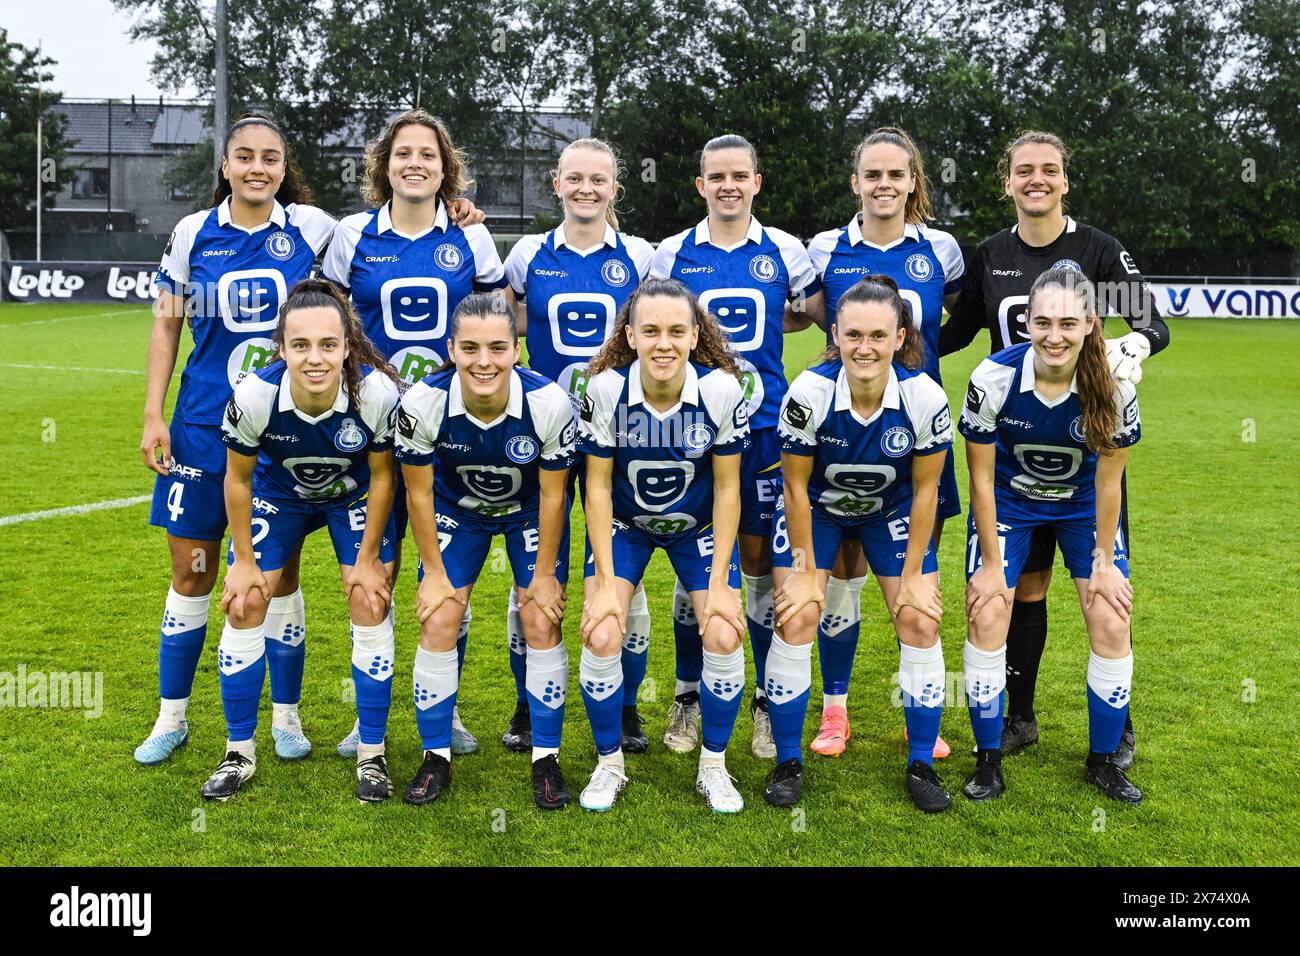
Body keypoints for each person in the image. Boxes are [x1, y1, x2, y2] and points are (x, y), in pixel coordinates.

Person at [939, 130, 1170, 768]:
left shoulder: (1097, 250)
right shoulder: (990, 254)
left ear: (1065, 181)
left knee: (1105, 593)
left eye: (1048, 170)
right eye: (1023, 171)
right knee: (1026, 591)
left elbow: (1152, 322)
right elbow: (956, 335)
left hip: (1079, 441)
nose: (1035, 180)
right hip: (1012, 441)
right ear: (1007, 182)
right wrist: (874, 345)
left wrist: (1135, 348)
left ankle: (1114, 729)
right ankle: (1020, 716)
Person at [138, 114, 336, 766]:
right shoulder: (195, 232)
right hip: (200, 428)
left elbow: (387, 224)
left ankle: (285, 717)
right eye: (245, 157)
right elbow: (167, 328)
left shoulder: (312, 230)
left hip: (281, 434)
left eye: (271, 158)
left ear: (284, 168)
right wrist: (153, 414)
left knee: (276, 578)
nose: (258, 167)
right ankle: (171, 720)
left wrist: (457, 204)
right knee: (191, 574)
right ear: (225, 165)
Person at [323, 108, 501, 758]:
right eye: (404, 154)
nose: (415, 163)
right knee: (375, 571)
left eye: (428, 153)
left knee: (448, 575)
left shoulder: (472, 240)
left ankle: (442, 707)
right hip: (372, 428)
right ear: (385, 165)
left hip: (451, 431)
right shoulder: (351, 237)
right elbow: (327, 321)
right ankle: (364, 716)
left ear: (444, 166)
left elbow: (496, 326)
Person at [651, 133, 822, 759]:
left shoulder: (785, 251)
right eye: (716, 176)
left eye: (740, 175)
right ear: (701, 185)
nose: (728, 185)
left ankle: (759, 703)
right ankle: (689, 694)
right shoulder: (672, 252)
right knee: (694, 560)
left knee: (753, 566)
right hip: (688, 429)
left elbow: (810, 314)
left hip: (765, 430)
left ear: (756, 182)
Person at [798, 127, 962, 758]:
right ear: (856, 183)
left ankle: (919, 708)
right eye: (873, 175)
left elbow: (956, 315)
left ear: (913, 181)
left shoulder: (941, 250)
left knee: (915, 578)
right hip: (845, 435)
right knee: (843, 575)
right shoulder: (825, 249)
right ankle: (834, 711)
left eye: (897, 175)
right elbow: (815, 317)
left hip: (919, 435)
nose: (884, 185)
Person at [207, 279, 401, 802]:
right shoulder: (254, 395)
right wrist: (244, 560)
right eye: (300, 346)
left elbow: (385, 477)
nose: (315, 359)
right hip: (280, 494)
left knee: (369, 596)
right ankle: (238, 752)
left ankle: (373, 756)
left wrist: (366, 560)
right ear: (282, 347)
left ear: (347, 345)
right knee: (245, 601)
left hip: (353, 495)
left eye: (328, 345)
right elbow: (239, 480)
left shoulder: (377, 392)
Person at [958, 267, 1143, 804]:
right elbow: (982, 478)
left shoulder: (1113, 388)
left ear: (1090, 323)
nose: (1054, 335)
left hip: (1083, 506)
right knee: (989, 609)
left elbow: (1111, 482)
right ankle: (988, 760)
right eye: (1042, 322)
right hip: (1011, 502)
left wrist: (1104, 562)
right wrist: (992, 566)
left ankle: (1103, 761)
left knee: (1110, 614)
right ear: (1026, 322)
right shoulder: (991, 379)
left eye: (1068, 322)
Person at [771, 276, 954, 811]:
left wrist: (917, 574)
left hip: (890, 511)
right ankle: (788, 760)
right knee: (800, 612)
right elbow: (795, 486)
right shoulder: (809, 392)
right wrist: (805, 570)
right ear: (835, 334)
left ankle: (921, 760)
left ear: (900, 338)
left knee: (919, 617)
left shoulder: (924, 397)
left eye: (878, 335)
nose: (865, 347)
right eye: (853, 335)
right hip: (820, 510)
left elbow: (926, 490)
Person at [392, 294, 577, 809]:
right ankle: (435, 758)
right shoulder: (422, 404)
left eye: (497, 347)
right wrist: (432, 572)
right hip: (459, 513)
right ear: (450, 349)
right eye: (469, 348)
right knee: (439, 617)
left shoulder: (549, 404)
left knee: (541, 618)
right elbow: (420, 493)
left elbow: (556, 494)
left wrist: (541, 575)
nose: (483, 361)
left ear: (516, 351)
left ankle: (546, 759)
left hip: (527, 511)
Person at [502, 137, 655, 754]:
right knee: (533, 577)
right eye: (574, 179)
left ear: (616, 187)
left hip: (617, 440)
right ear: (556, 185)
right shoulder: (526, 255)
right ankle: (525, 703)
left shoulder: (642, 257)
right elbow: (503, 323)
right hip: (541, 436)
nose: (586, 189)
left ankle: (623, 710)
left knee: (620, 578)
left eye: (599, 179)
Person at [577, 278, 749, 813]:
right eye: (650, 331)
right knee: (604, 631)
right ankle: (609, 765)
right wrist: (605, 583)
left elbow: (726, 488)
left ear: (696, 336)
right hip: (627, 526)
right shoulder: (605, 389)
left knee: (722, 631)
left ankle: (714, 767)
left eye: (677, 331)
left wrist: (720, 582)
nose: (664, 343)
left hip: (695, 526)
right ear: (630, 335)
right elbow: (598, 487)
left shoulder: (721, 390)